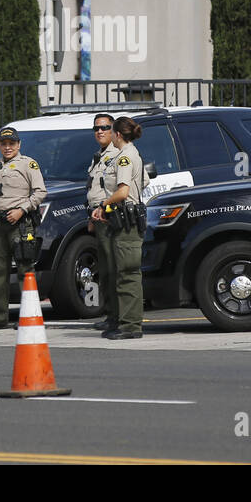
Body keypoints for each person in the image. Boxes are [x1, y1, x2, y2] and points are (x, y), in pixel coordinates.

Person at [0, 126, 47, 330]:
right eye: (4, 144)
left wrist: (22, 209)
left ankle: (29, 315)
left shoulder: (28, 164)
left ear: (19, 145)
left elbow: (40, 192)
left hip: (20, 224)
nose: (7, 147)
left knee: (25, 270)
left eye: (11, 143)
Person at [100, 116, 149, 340]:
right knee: (124, 273)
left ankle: (130, 326)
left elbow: (121, 191)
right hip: (125, 218)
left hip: (126, 222)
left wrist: (104, 204)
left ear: (118, 135)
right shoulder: (131, 154)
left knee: (127, 274)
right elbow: (144, 181)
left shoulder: (124, 158)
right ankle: (126, 323)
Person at [86, 113, 122, 331]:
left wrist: (107, 209)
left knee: (115, 269)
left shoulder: (118, 154)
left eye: (105, 127)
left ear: (114, 131)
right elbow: (92, 188)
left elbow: (127, 186)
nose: (100, 131)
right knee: (106, 270)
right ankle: (111, 315)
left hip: (111, 217)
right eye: (97, 128)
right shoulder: (97, 157)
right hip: (98, 218)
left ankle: (119, 316)